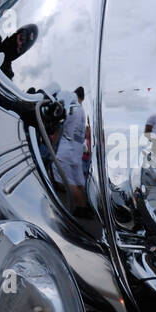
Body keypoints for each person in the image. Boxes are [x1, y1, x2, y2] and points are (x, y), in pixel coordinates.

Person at [56, 86, 90, 215]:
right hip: (77, 151)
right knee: (79, 181)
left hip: (67, 149)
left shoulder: (72, 108)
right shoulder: (82, 111)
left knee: (68, 181)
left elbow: (61, 125)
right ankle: (86, 205)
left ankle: (81, 208)